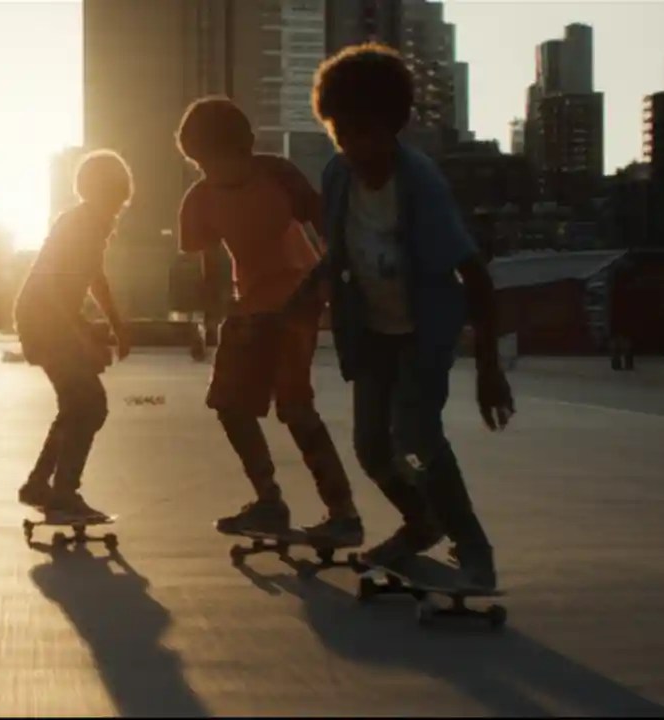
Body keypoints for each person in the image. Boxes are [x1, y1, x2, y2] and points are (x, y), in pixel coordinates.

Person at [312, 43, 515, 590]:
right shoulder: (336, 178)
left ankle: (474, 553)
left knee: (419, 436)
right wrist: (293, 304)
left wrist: (490, 371)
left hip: (424, 331)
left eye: (369, 134)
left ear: (395, 127)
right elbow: (335, 255)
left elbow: (474, 275)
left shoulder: (419, 183)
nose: (357, 148)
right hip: (371, 332)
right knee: (372, 447)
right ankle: (419, 522)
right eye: (344, 133)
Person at [176, 97, 364, 546]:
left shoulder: (277, 173)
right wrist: (206, 319)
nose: (209, 174)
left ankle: (343, 513)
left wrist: (335, 287)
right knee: (227, 402)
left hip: (298, 296)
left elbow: (327, 226)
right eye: (199, 164)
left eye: (214, 162)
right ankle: (269, 502)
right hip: (250, 304)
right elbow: (209, 260)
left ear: (244, 149)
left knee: (295, 407)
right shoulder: (200, 197)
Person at [14, 150, 133, 522]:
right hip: (45, 318)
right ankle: (63, 494)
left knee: (77, 404)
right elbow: (50, 285)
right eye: (114, 195)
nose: (117, 206)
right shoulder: (81, 223)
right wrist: (76, 334)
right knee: (88, 403)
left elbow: (94, 276)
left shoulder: (90, 222)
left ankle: (39, 484)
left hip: (49, 318)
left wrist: (116, 322)